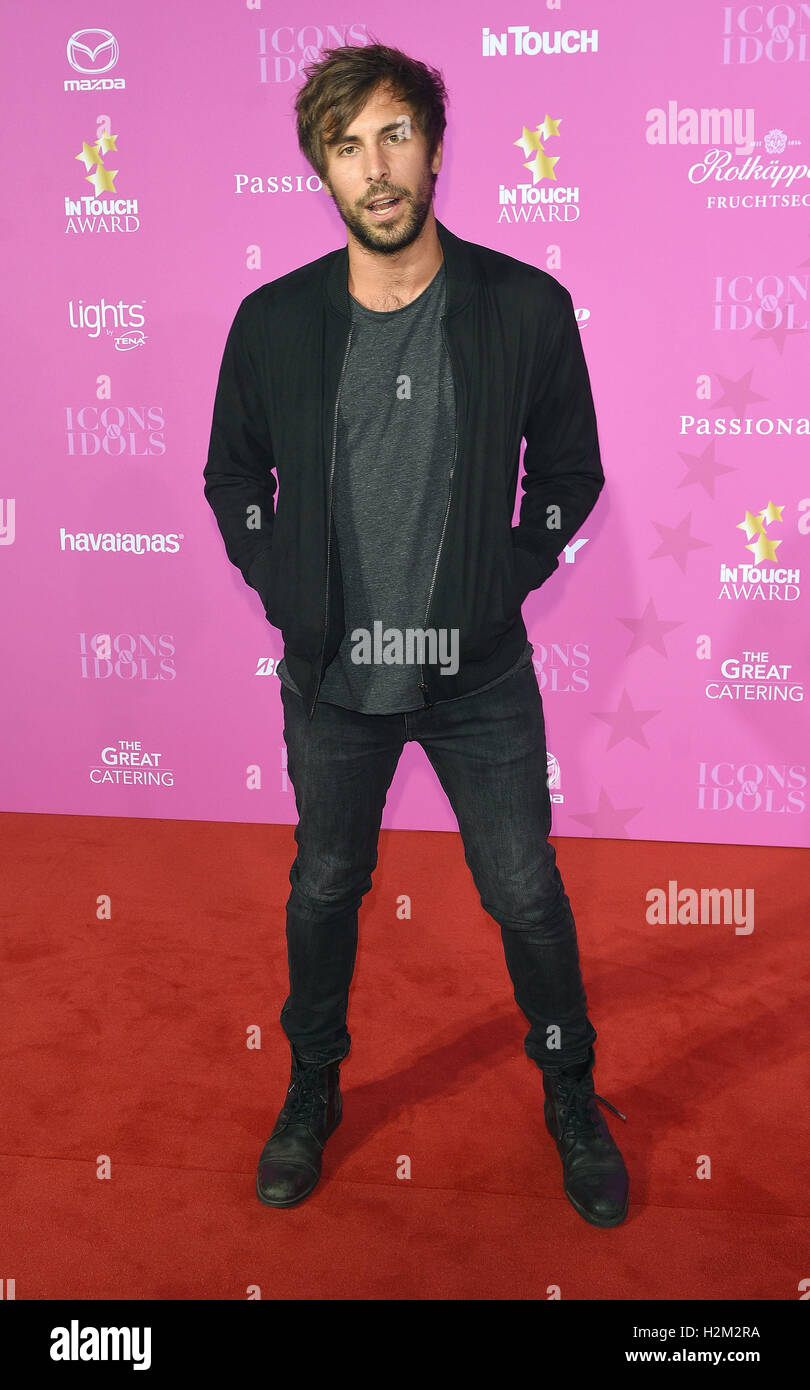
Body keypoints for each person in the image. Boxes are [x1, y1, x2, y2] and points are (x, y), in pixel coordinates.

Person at [203, 42, 629, 1227]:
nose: (375, 169)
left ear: (435, 150)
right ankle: (312, 1087)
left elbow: (573, 469)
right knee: (326, 887)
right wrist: (283, 575)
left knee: (527, 893)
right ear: (323, 173)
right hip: (334, 676)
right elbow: (233, 474)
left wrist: (506, 571)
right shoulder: (273, 320)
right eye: (347, 146)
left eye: (395, 135)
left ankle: (570, 1089)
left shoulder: (524, 306)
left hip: (476, 673)